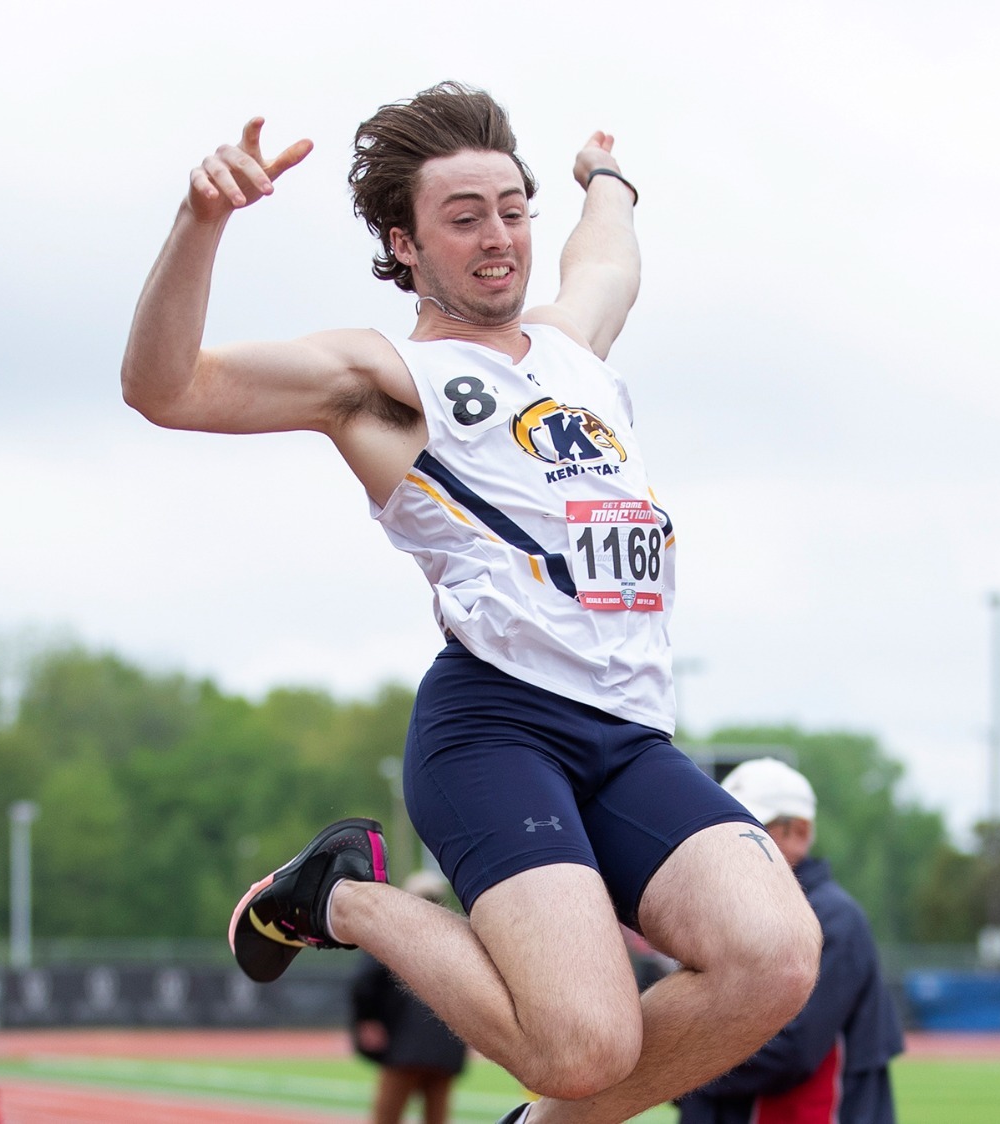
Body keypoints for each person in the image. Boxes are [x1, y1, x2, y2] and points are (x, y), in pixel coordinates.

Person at [123, 82, 821, 1124]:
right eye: (463, 218)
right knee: (580, 1044)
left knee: (773, 956)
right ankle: (339, 895)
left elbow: (607, 258)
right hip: (496, 726)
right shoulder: (382, 375)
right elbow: (165, 386)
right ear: (402, 243)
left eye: (511, 208)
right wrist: (199, 222)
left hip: (627, 733)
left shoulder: (569, 348)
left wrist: (606, 177)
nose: (498, 237)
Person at [677, 759, 903, 1124]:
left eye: (747, 829)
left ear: (797, 832)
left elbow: (789, 1051)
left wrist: (672, 1066)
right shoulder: (729, 911)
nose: (723, 843)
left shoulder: (832, 918)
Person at [352, 871, 470, 1124]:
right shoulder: (459, 936)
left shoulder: (394, 931)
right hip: (446, 1042)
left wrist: (367, 1018)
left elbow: (365, 981)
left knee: (386, 1115)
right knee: (436, 1117)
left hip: (404, 1041)